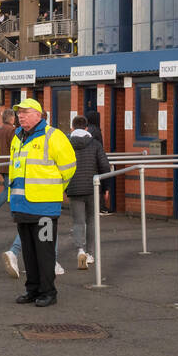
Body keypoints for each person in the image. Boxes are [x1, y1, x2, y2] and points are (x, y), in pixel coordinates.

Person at [7, 98, 77, 307]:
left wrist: (55, 188)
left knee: (44, 252)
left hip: (44, 207)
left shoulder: (53, 136)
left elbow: (69, 167)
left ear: (38, 115)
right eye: (19, 112)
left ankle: (48, 292)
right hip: (21, 205)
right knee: (28, 252)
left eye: (25, 112)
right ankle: (32, 289)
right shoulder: (17, 137)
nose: (20, 115)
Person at [66, 115, 109, 270]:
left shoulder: (66, 143)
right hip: (92, 188)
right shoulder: (95, 144)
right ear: (86, 128)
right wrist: (106, 188)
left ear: (72, 128)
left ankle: (80, 250)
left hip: (73, 187)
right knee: (91, 220)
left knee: (78, 222)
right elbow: (104, 166)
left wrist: (65, 186)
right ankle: (90, 254)